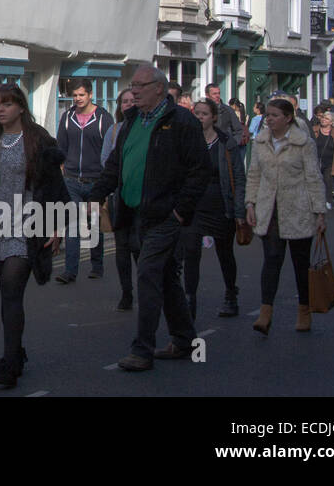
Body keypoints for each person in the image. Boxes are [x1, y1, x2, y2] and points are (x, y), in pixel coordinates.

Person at [89, 65, 208, 372]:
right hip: (134, 214)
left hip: (165, 216)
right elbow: (116, 165)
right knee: (166, 278)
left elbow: (200, 170)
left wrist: (181, 210)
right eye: (133, 85)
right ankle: (184, 339)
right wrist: (96, 194)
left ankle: (142, 349)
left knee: (148, 276)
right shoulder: (130, 123)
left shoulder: (181, 122)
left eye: (140, 85)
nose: (135, 90)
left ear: (159, 88)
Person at [0, 83, 67, 388]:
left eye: (7, 104)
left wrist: (57, 226)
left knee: (10, 289)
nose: (1, 109)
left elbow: (55, 186)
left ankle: (8, 364)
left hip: (29, 222)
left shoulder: (39, 140)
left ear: (21, 106)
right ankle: (16, 351)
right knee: (8, 293)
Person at [245, 97, 326, 334]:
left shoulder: (304, 143)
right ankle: (265, 312)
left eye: (274, 115)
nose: (268, 119)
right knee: (271, 260)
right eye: (267, 115)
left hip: (299, 209)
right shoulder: (260, 142)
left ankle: (304, 310)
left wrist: (319, 211)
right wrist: (250, 204)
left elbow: (313, 177)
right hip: (269, 210)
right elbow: (254, 175)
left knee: (301, 264)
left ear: (288, 118)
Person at [178, 99, 245, 321]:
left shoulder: (226, 143)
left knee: (225, 253)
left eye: (204, 114)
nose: (199, 117)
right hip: (193, 207)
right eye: (196, 113)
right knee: (191, 254)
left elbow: (238, 178)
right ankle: (189, 301)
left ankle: (230, 294)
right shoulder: (187, 142)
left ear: (214, 117)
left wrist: (239, 212)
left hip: (220, 205)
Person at [54, 79, 112, 284]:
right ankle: (70, 271)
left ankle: (97, 266)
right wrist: (60, 173)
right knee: (73, 226)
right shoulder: (68, 117)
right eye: (75, 95)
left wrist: (106, 182)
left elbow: (109, 151)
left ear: (90, 95)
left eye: (81, 95)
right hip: (71, 180)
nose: (77, 99)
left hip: (96, 181)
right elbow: (60, 148)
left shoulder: (104, 118)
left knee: (94, 225)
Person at [101, 88, 139, 311]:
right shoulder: (114, 131)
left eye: (131, 101)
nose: (127, 105)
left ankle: (145, 286)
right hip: (118, 197)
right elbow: (106, 160)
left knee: (139, 246)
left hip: (140, 198)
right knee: (122, 246)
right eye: (124, 101)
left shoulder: (144, 129)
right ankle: (127, 292)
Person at [311, 109, 334, 209]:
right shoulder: (314, 130)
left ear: (331, 122)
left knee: (327, 180)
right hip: (316, 160)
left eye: (327, 119)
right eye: (323, 118)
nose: (323, 120)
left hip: (330, 161)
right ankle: (316, 200)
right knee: (316, 181)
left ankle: (327, 200)